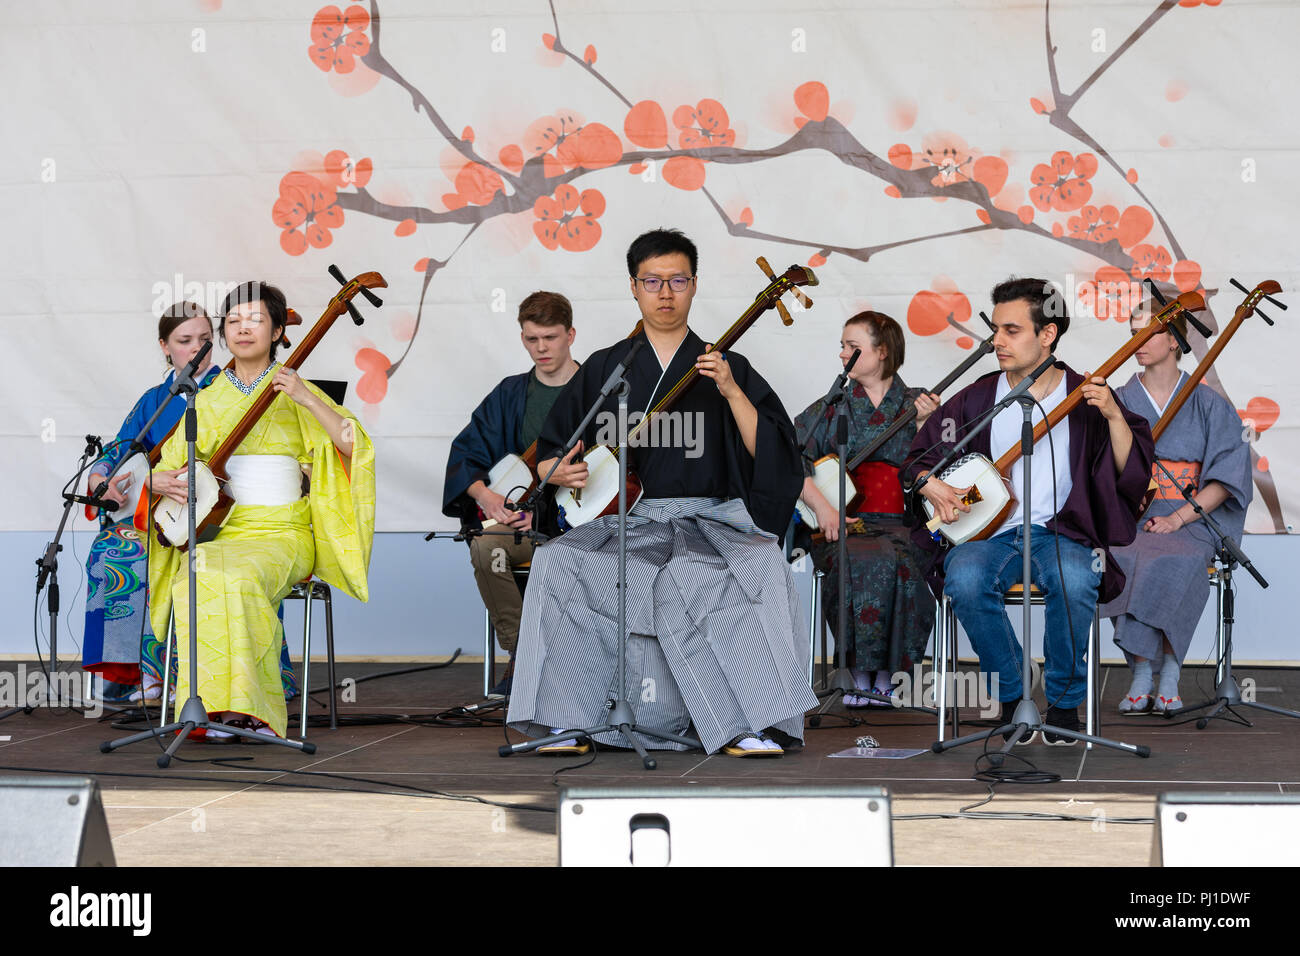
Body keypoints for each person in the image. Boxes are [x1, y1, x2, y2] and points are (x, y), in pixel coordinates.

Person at [506, 227, 818, 758]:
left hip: (710, 522)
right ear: (633, 287)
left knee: (746, 569)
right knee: (560, 563)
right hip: (629, 521)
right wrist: (558, 473)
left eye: (677, 280)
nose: (665, 292)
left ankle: (743, 724)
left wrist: (731, 391)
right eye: (653, 281)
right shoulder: (608, 367)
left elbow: (774, 452)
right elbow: (555, 450)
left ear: (694, 286)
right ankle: (570, 722)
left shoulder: (727, 367)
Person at [906, 277, 1154, 744]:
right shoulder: (978, 396)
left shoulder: (1084, 395)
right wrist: (932, 484)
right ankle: (1014, 694)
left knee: (1077, 579)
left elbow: (1131, 470)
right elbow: (921, 458)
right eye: (996, 329)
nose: (997, 341)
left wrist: (1116, 417)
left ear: (1048, 335)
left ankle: (1062, 704)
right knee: (964, 579)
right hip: (989, 536)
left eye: (1011, 330)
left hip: (1061, 532)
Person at [146, 281, 375, 740]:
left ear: (276, 331)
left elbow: (354, 446)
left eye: (255, 320)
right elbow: (168, 467)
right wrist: (159, 481)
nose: (243, 329)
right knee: (196, 572)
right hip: (229, 529)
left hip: (285, 532)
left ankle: (254, 711)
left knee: (241, 577)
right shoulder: (206, 398)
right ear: (222, 335)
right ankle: (210, 708)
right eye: (233, 321)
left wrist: (307, 397)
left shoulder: (298, 391)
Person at [1101, 303, 1252, 714]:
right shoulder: (1119, 400)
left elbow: (1227, 474)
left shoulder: (1208, 401)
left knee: (1176, 557)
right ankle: (1140, 670)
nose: (1138, 341)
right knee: (1117, 557)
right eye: (1133, 332)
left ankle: (1169, 668)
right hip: (1134, 512)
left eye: (1148, 332)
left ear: (1174, 339)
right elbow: (1099, 469)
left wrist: (1177, 518)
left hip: (1194, 515)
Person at [793, 311, 939, 707]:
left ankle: (891, 677)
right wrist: (823, 507)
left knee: (905, 563)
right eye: (842, 346)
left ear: (883, 351)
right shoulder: (833, 405)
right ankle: (856, 673)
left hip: (904, 523)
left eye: (852, 347)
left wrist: (928, 425)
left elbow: (944, 462)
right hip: (843, 522)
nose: (842, 355)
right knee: (857, 558)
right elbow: (791, 456)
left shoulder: (917, 403)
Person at [442, 291, 581, 696]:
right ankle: (525, 655)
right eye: (531, 339)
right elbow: (465, 452)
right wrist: (488, 499)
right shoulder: (510, 394)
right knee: (487, 548)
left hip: (586, 528)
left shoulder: (599, 393)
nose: (541, 348)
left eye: (550, 338)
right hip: (523, 528)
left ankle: (584, 664)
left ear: (570, 334)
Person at [82, 303, 223, 702]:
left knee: (197, 561)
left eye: (205, 340)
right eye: (184, 341)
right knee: (115, 548)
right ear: (165, 347)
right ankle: (137, 672)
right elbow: (122, 448)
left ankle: (201, 682)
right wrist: (101, 475)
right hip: (161, 513)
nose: (197, 350)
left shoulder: (231, 390)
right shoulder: (155, 400)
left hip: (214, 515)